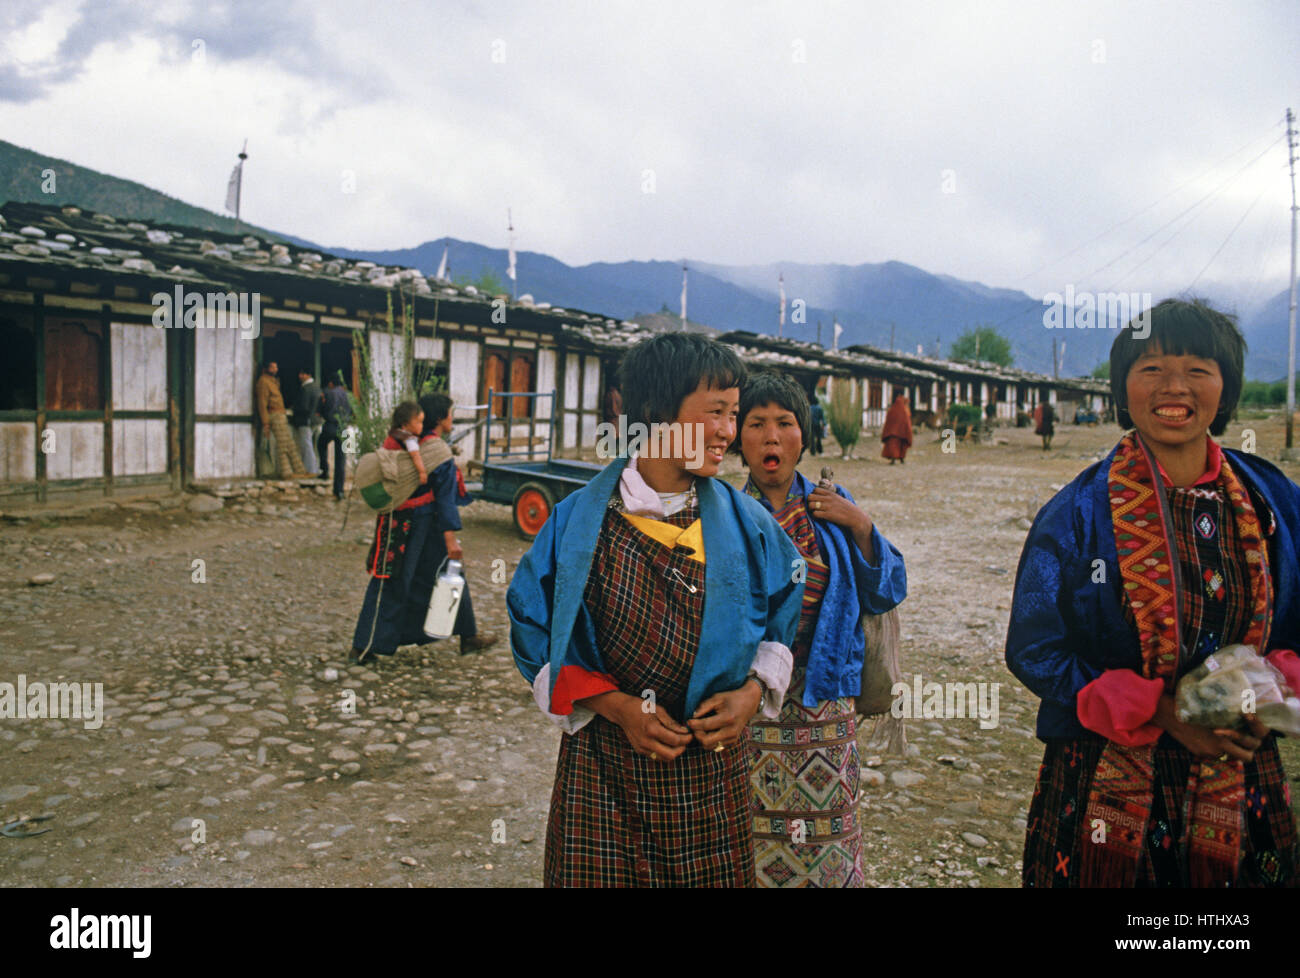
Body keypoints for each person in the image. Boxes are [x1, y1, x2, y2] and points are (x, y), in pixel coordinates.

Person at [1006, 299, 1300, 887]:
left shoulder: (1276, 503)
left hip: (1243, 780)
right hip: (1104, 786)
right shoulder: (1075, 514)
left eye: (1198, 368)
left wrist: (1269, 705)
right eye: (1151, 368)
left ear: (1226, 386)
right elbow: (1035, 650)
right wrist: (1163, 712)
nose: (1175, 387)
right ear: (1123, 389)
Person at [508, 333, 804, 887]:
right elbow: (532, 626)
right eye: (715, 411)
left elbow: (783, 614)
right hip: (603, 763)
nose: (727, 431)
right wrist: (617, 706)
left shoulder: (749, 525)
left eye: (733, 414)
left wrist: (752, 692)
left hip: (710, 766)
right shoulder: (576, 522)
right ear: (656, 412)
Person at [734, 371, 907, 887]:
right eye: (756, 423)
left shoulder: (831, 508)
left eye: (784, 422)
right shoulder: (726, 514)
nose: (770, 436)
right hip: (751, 709)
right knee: (751, 844)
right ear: (737, 439)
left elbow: (888, 587)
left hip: (824, 703)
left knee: (828, 852)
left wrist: (860, 524)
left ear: (802, 437)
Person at [414, 392, 497, 655]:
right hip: (433, 528)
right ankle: (369, 644)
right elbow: (445, 500)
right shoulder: (440, 453)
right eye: (450, 414)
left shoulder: (417, 446)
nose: (453, 419)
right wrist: (450, 538)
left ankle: (468, 635)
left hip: (411, 526)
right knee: (444, 573)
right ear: (440, 419)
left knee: (423, 578)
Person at [255, 360, 306, 478]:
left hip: (280, 414)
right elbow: (262, 403)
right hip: (274, 415)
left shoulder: (273, 382)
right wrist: (265, 422)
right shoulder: (263, 382)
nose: (275, 370)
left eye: (276, 367)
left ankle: (299, 470)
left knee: (289, 443)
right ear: (266, 369)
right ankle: (286, 472)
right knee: (283, 444)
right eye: (272, 367)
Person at [318, 378, 352, 500]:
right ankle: (339, 490)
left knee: (321, 444)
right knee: (341, 460)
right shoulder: (349, 395)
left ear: (331, 383)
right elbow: (353, 412)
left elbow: (321, 410)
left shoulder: (328, 392)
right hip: (345, 428)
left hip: (330, 425)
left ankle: (325, 470)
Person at [294, 368, 322, 476]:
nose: (300, 376)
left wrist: (295, 410)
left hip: (306, 421)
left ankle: (310, 470)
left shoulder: (306, 388)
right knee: (315, 446)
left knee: (307, 446)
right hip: (317, 420)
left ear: (308, 375)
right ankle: (317, 468)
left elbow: (304, 407)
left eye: (302, 374)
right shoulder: (317, 387)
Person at [881, 392, 912, 464]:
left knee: (893, 446)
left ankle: (893, 459)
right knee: (902, 446)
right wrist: (908, 431)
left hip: (892, 432)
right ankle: (901, 459)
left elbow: (888, 421)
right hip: (902, 433)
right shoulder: (905, 411)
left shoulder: (892, 409)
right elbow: (907, 422)